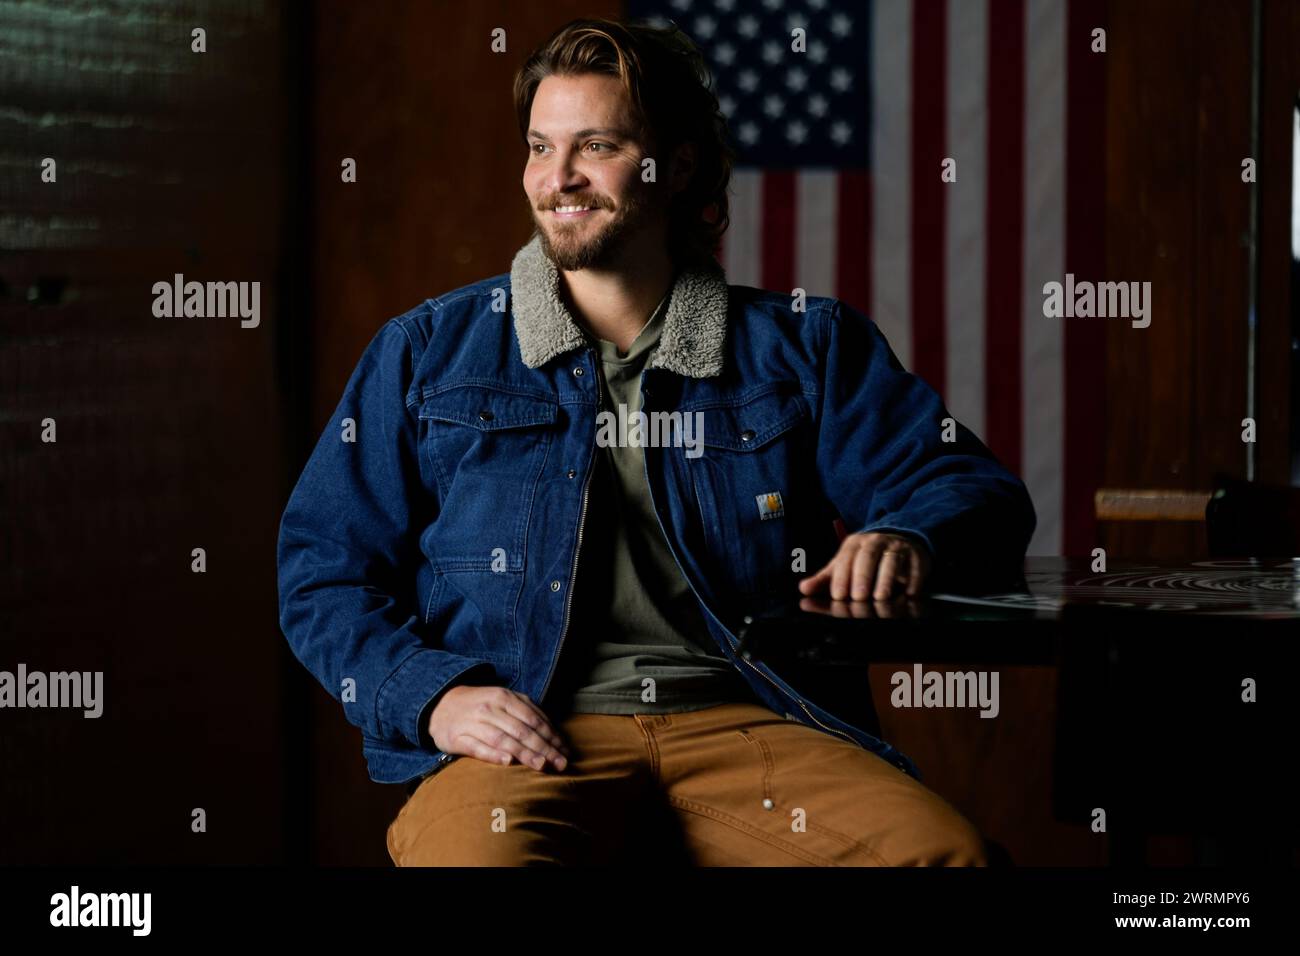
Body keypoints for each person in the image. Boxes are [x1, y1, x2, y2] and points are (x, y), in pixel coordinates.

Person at [277, 17, 1036, 866]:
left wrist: (908, 535)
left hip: (754, 719)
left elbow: (974, 491)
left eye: (596, 146)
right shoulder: (428, 351)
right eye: (539, 147)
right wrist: (432, 699)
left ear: (676, 167)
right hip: (527, 731)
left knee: (945, 857)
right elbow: (322, 569)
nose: (557, 178)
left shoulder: (805, 347)